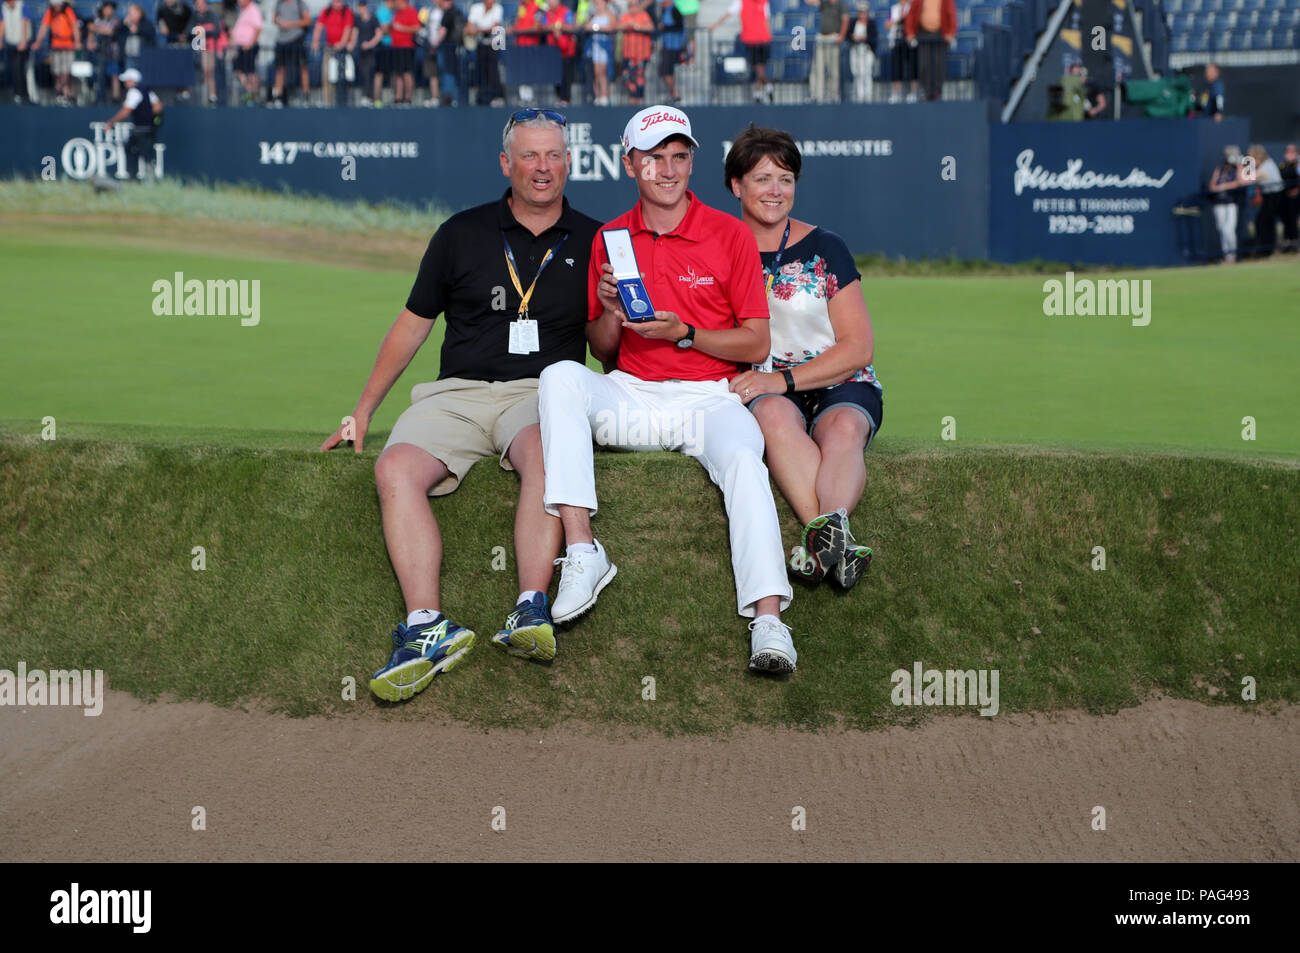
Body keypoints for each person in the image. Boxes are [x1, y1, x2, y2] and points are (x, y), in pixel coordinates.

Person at [321, 109, 602, 701]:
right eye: (529, 156)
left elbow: (605, 348)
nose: (542, 168)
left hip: (541, 390)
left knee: (547, 459)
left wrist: (614, 313)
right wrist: (366, 408)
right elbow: (412, 326)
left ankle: (530, 607)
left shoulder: (595, 240)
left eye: (553, 155)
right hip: (456, 393)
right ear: (506, 164)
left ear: (569, 162)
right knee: (393, 467)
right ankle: (426, 627)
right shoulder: (461, 232)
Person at [536, 105, 798, 674]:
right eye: (654, 158)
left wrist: (686, 334)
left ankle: (770, 620)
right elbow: (604, 349)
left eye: (679, 156)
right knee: (559, 375)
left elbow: (756, 343)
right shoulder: (610, 237)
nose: (668, 168)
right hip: (631, 393)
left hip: (709, 400)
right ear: (630, 164)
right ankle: (583, 550)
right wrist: (607, 310)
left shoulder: (728, 232)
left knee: (745, 464)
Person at [724, 125, 880, 592]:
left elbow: (858, 347)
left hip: (837, 378)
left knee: (845, 428)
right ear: (737, 185)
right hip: (763, 389)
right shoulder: (717, 251)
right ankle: (832, 541)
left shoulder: (825, 247)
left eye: (786, 179)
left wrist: (785, 379)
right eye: (762, 178)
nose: (775, 191)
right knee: (772, 416)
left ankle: (820, 542)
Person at [708, 0, 772, 103]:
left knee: (760, 68)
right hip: (750, 40)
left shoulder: (764, 2)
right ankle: (768, 87)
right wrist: (715, 25)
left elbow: (766, 19)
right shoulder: (741, 2)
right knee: (758, 68)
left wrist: (769, 36)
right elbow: (728, 13)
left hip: (763, 39)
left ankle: (758, 94)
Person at [103, 67, 161, 180]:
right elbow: (158, 106)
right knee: (140, 152)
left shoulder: (134, 92)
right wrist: (150, 116)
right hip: (148, 129)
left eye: (127, 80)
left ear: (132, 80)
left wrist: (111, 122)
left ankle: (135, 178)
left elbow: (127, 110)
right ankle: (144, 178)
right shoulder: (146, 91)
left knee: (135, 152)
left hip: (140, 129)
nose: (125, 83)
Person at [904, 0, 953, 102]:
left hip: (940, 34)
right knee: (924, 64)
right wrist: (909, 32)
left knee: (938, 64)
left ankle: (937, 92)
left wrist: (951, 33)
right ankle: (926, 92)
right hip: (923, 34)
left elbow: (951, 13)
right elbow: (911, 14)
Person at [34, 0, 81, 104]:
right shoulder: (50, 11)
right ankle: (58, 92)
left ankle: (67, 93)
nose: (56, 7)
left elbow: (74, 26)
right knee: (56, 71)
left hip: (68, 46)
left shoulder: (67, 10)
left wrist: (77, 41)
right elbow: (44, 27)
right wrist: (38, 41)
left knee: (66, 71)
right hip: (56, 46)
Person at [312, 0, 354, 106]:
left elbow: (348, 28)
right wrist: (315, 40)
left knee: (344, 76)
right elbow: (319, 26)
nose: (337, 4)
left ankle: (343, 102)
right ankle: (328, 102)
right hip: (329, 48)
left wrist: (342, 43)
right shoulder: (326, 11)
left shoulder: (347, 11)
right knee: (327, 75)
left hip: (343, 50)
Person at [808, 0, 848, 104]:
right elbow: (810, 1)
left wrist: (842, 36)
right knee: (818, 69)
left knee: (833, 70)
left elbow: (845, 20)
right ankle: (817, 96)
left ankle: (833, 96)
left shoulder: (841, 5)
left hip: (833, 40)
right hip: (822, 39)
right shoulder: (824, 3)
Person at [1207, 146, 1243, 264]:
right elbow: (1212, 185)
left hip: (1232, 202)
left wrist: (1223, 187)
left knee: (1229, 229)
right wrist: (1218, 188)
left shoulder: (1240, 166)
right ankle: (1227, 256)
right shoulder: (1220, 167)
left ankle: (1233, 255)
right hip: (1219, 202)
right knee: (1222, 229)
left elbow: (1240, 182)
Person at [1246, 144, 1283, 257]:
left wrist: (1241, 167)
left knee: (1263, 222)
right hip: (1269, 196)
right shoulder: (1266, 164)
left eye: (1253, 158)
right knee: (1264, 222)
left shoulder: (1267, 166)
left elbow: (1249, 178)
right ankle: (1266, 249)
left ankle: (1266, 250)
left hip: (1274, 196)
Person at [466, 0, 504, 105]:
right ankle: (482, 98)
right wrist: (471, 30)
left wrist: (477, 30)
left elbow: (495, 27)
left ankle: (497, 96)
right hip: (480, 44)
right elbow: (470, 25)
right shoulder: (476, 8)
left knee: (493, 70)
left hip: (493, 44)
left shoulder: (498, 8)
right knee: (481, 70)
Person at [87, 1, 122, 105]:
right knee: (98, 75)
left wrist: (96, 29)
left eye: (110, 8)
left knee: (114, 74)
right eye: (106, 8)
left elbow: (110, 31)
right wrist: (90, 40)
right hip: (99, 52)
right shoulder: (98, 19)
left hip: (112, 52)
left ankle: (116, 98)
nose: (108, 10)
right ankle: (98, 98)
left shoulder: (116, 20)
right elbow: (91, 31)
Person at [618, 0, 652, 105]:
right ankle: (632, 101)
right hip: (629, 54)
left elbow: (650, 27)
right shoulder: (626, 16)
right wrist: (627, 25)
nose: (632, 7)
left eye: (634, 5)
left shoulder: (644, 15)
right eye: (630, 5)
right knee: (628, 78)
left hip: (641, 54)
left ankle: (639, 102)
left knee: (639, 79)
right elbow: (616, 27)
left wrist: (636, 26)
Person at [191, 0, 223, 103]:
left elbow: (217, 31)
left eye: (202, 4)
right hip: (198, 49)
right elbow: (189, 30)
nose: (200, 6)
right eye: (197, 4)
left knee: (210, 71)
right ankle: (202, 95)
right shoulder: (194, 16)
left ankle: (212, 95)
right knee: (202, 71)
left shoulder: (212, 14)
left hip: (211, 49)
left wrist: (202, 31)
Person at [543, 0, 575, 105]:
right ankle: (559, 98)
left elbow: (571, 26)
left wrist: (559, 26)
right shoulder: (547, 13)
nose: (549, 2)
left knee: (566, 76)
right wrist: (552, 27)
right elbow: (542, 26)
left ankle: (566, 99)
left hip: (566, 50)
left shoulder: (566, 12)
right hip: (553, 51)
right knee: (555, 76)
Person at [387, 0, 418, 104]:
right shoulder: (396, 13)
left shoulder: (411, 11)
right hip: (395, 47)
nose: (394, 2)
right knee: (398, 73)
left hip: (406, 47)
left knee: (407, 73)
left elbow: (416, 28)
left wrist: (401, 28)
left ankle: (408, 98)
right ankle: (398, 97)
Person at [230, 0, 261, 104]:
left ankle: (254, 95)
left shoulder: (253, 10)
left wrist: (251, 44)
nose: (239, 1)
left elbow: (258, 28)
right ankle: (249, 92)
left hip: (249, 47)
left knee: (250, 72)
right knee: (238, 69)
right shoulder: (243, 10)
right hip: (241, 47)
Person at [583, 0, 613, 105]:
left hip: (604, 46)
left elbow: (612, 27)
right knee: (596, 72)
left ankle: (604, 95)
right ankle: (598, 95)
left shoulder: (610, 15)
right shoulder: (593, 15)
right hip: (595, 46)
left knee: (603, 71)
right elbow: (586, 26)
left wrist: (598, 28)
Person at [656, 0, 686, 104]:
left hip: (674, 46)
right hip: (668, 46)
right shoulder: (665, 11)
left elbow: (679, 26)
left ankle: (675, 94)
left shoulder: (674, 10)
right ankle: (673, 94)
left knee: (666, 71)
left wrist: (665, 28)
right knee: (664, 71)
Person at [433, 0, 462, 105]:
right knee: (452, 71)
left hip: (447, 47)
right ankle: (453, 97)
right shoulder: (457, 11)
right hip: (455, 46)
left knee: (447, 72)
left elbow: (442, 31)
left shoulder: (448, 13)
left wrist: (435, 44)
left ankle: (449, 96)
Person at [885, 0, 914, 102]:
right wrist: (899, 19)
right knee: (897, 68)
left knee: (912, 68)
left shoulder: (912, 7)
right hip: (896, 42)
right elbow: (887, 24)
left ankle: (913, 93)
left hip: (910, 42)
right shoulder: (894, 9)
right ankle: (896, 93)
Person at [2, 0, 31, 104]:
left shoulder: (23, 6)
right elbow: (2, 23)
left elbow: (24, 23)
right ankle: (17, 94)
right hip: (11, 43)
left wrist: (23, 41)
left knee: (21, 70)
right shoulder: (4, 7)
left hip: (22, 44)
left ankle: (24, 95)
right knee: (14, 70)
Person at [848, 2, 876, 103]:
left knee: (867, 74)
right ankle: (859, 97)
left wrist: (865, 38)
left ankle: (868, 97)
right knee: (858, 74)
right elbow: (849, 35)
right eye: (860, 12)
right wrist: (853, 37)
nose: (862, 14)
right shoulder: (853, 22)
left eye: (864, 12)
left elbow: (873, 38)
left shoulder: (871, 23)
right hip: (856, 52)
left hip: (867, 52)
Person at [1279, 143, 1299, 254]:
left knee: (1293, 219)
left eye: (1292, 151)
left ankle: (1294, 243)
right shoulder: (1283, 165)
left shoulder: (1298, 164)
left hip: (1295, 196)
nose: (1289, 154)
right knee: (1285, 219)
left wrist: (1296, 190)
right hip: (1284, 196)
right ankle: (1287, 243)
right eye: (1287, 151)